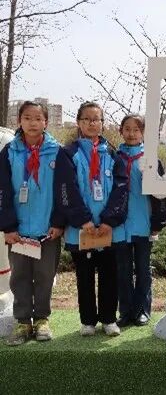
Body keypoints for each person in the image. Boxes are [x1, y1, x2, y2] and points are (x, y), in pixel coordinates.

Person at [0, 101, 85, 345]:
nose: (33, 123)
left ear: (46, 122)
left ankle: (41, 319)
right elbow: (2, 190)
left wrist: (59, 222)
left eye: (38, 118)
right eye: (27, 118)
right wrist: (8, 226)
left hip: (48, 230)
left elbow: (64, 190)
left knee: (45, 276)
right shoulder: (9, 151)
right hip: (18, 231)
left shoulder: (57, 152)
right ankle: (22, 321)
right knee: (19, 277)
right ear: (19, 121)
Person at [64, 101, 128, 337]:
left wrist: (109, 220)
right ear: (79, 123)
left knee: (110, 274)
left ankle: (109, 318)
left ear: (102, 123)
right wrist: (84, 220)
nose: (92, 124)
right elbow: (66, 188)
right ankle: (88, 320)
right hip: (81, 229)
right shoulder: (68, 153)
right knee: (84, 276)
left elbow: (121, 188)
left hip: (109, 229)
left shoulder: (113, 154)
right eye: (87, 119)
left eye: (96, 119)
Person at [116, 114, 166, 327]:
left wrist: (157, 223)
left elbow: (162, 195)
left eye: (136, 130)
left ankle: (142, 310)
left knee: (143, 269)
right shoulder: (114, 158)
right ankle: (125, 311)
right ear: (121, 131)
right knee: (123, 270)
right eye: (127, 129)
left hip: (144, 224)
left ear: (143, 133)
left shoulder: (151, 160)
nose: (131, 134)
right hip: (119, 226)